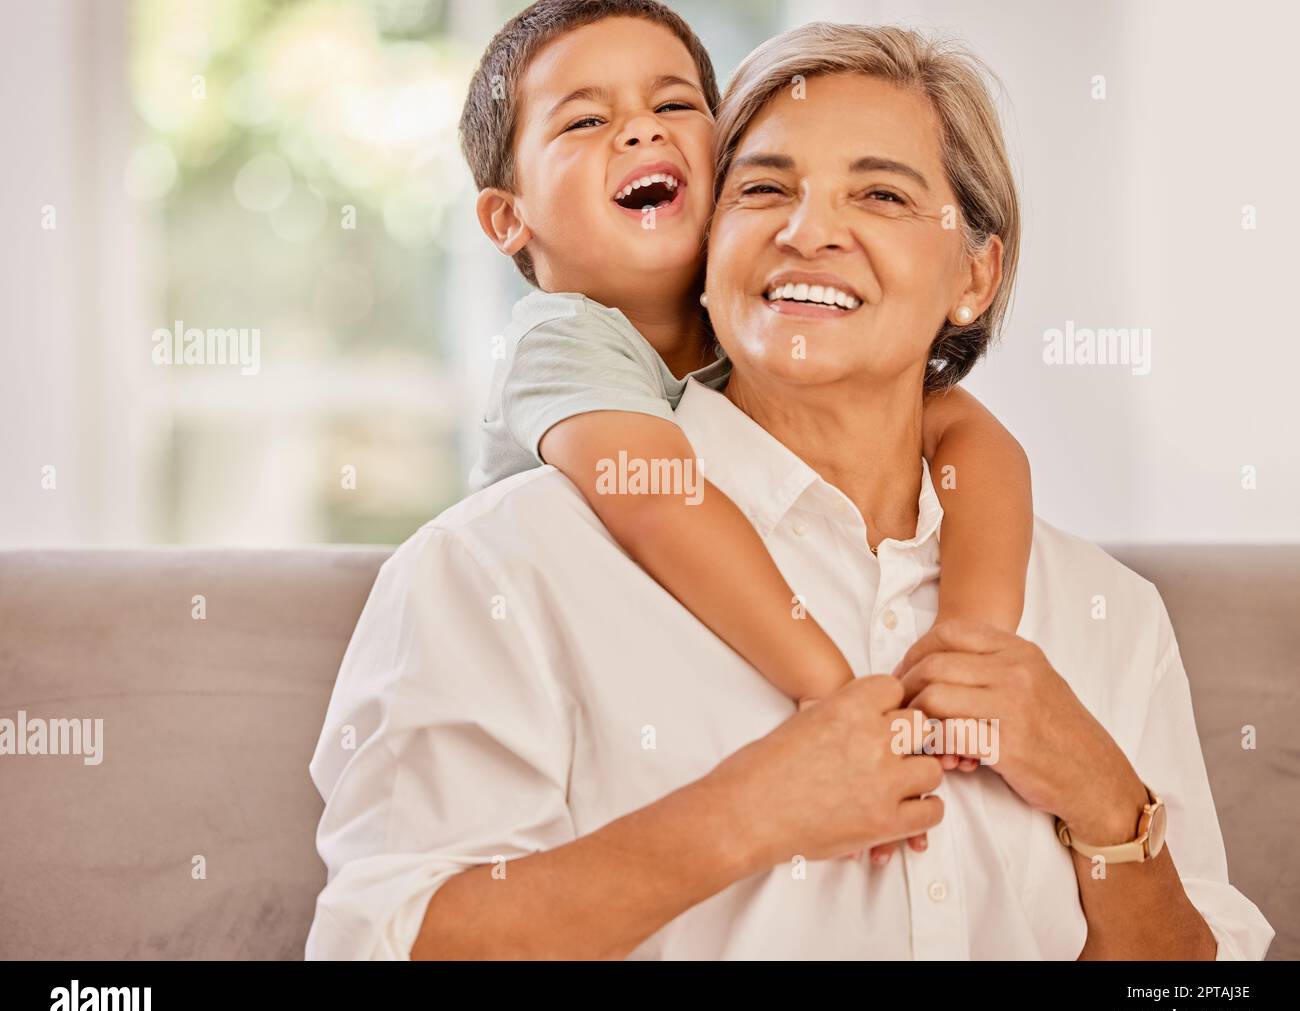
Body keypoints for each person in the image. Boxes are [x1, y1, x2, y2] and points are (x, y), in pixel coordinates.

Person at [305, 22, 1273, 960]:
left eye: (883, 197)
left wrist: (1107, 803)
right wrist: (745, 814)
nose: (811, 232)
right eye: (764, 188)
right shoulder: (494, 571)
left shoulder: (1107, 618)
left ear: (975, 274)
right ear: (707, 243)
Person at [460, 0, 1033, 729]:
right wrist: (835, 689)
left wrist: (975, 642)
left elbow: (976, 442)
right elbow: (661, 502)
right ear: (510, 219)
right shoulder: (560, 341)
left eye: (673, 102)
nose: (642, 128)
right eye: (584, 121)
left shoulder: (754, 324)